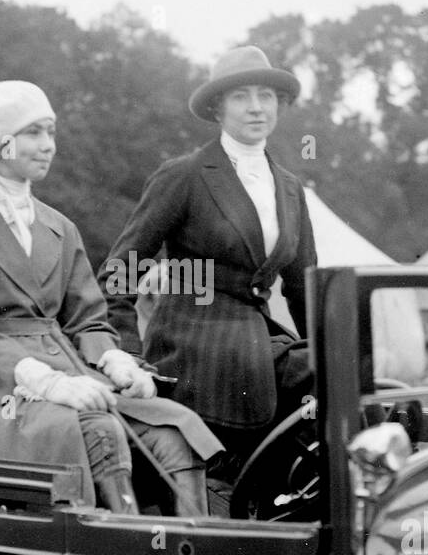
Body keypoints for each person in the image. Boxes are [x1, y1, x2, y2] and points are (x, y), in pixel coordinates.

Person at [0, 81, 221, 516]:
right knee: (101, 431)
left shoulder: (59, 227)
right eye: (34, 133)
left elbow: (87, 320)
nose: (48, 146)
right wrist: (49, 383)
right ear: (1, 143)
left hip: (72, 373)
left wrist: (115, 361)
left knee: (177, 430)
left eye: (51, 133)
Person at [97, 45, 317, 470]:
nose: (256, 108)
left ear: (279, 105)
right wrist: (128, 356)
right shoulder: (186, 175)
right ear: (218, 108)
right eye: (241, 97)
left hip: (256, 336)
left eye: (266, 96)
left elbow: (303, 287)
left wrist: (328, 348)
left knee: (335, 372)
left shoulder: (290, 188)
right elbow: (120, 272)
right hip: (195, 342)